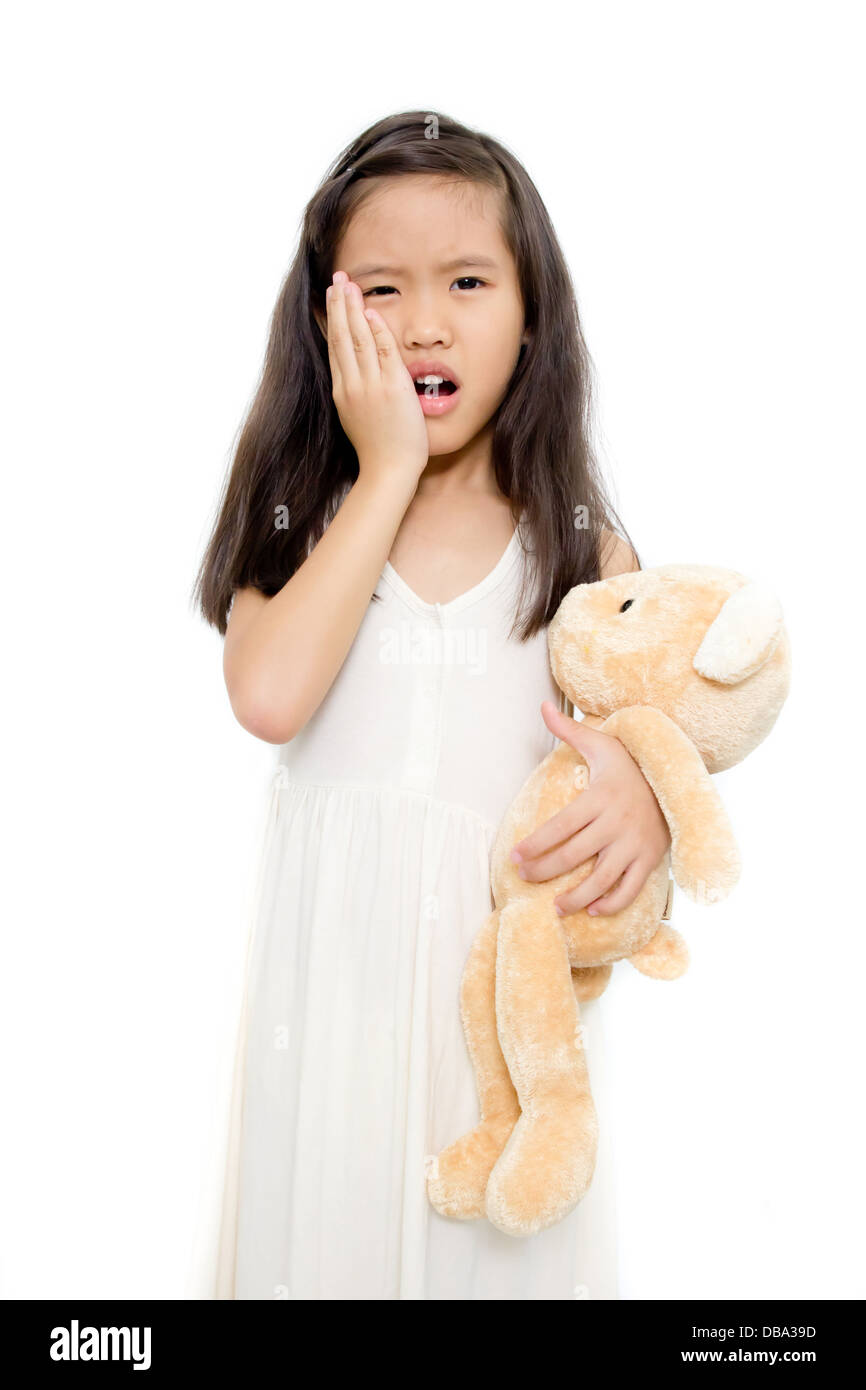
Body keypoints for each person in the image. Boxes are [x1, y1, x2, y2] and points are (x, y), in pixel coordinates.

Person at [190, 110, 671, 1300]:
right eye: (380, 290)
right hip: (330, 1038)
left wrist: (643, 797)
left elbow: (653, 762)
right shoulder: (306, 524)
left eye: (465, 281)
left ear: (530, 312)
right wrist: (389, 465)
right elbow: (269, 695)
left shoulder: (582, 554)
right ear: (324, 321)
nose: (423, 324)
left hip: (491, 1053)